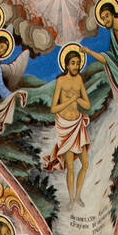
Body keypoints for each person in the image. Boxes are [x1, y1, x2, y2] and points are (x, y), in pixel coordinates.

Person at [44, 45, 91, 206]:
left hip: (78, 124)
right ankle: (71, 199)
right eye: (73, 63)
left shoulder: (78, 80)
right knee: (70, 166)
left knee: (85, 163)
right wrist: (70, 100)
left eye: (78, 63)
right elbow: (53, 108)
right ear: (66, 64)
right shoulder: (61, 81)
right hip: (65, 125)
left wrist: (77, 99)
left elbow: (87, 104)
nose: (76, 66)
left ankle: (78, 196)